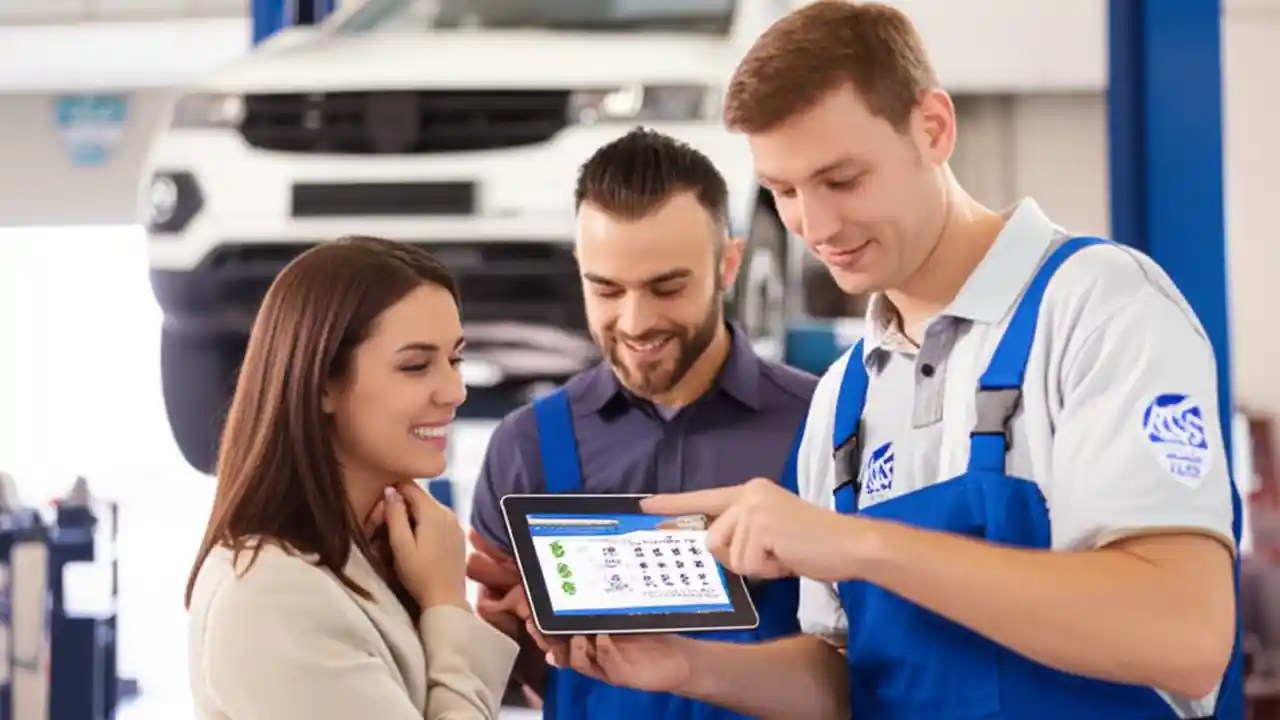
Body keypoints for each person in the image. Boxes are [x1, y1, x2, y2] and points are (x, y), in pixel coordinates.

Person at [546, 3, 1246, 720]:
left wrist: (859, 545)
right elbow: (850, 678)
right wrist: (689, 667)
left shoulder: (1098, 308)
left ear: (933, 128)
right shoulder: (846, 397)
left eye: (842, 180)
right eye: (784, 192)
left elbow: (1184, 633)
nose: (815, 227)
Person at [464, 127, 819, 718]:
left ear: (728, 265)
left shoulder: (821, 427)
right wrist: (509, 631)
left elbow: (868, 659)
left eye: (667, 287)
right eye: (606, 289)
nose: (635, 321)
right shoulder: (525, 448)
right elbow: (524, 682)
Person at [185, 236, 518, 719]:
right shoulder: (272, 593)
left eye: (455, 359)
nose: (455, 390)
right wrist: (447, 603)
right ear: (321, 384)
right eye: (416, 365)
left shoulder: (356, 560)